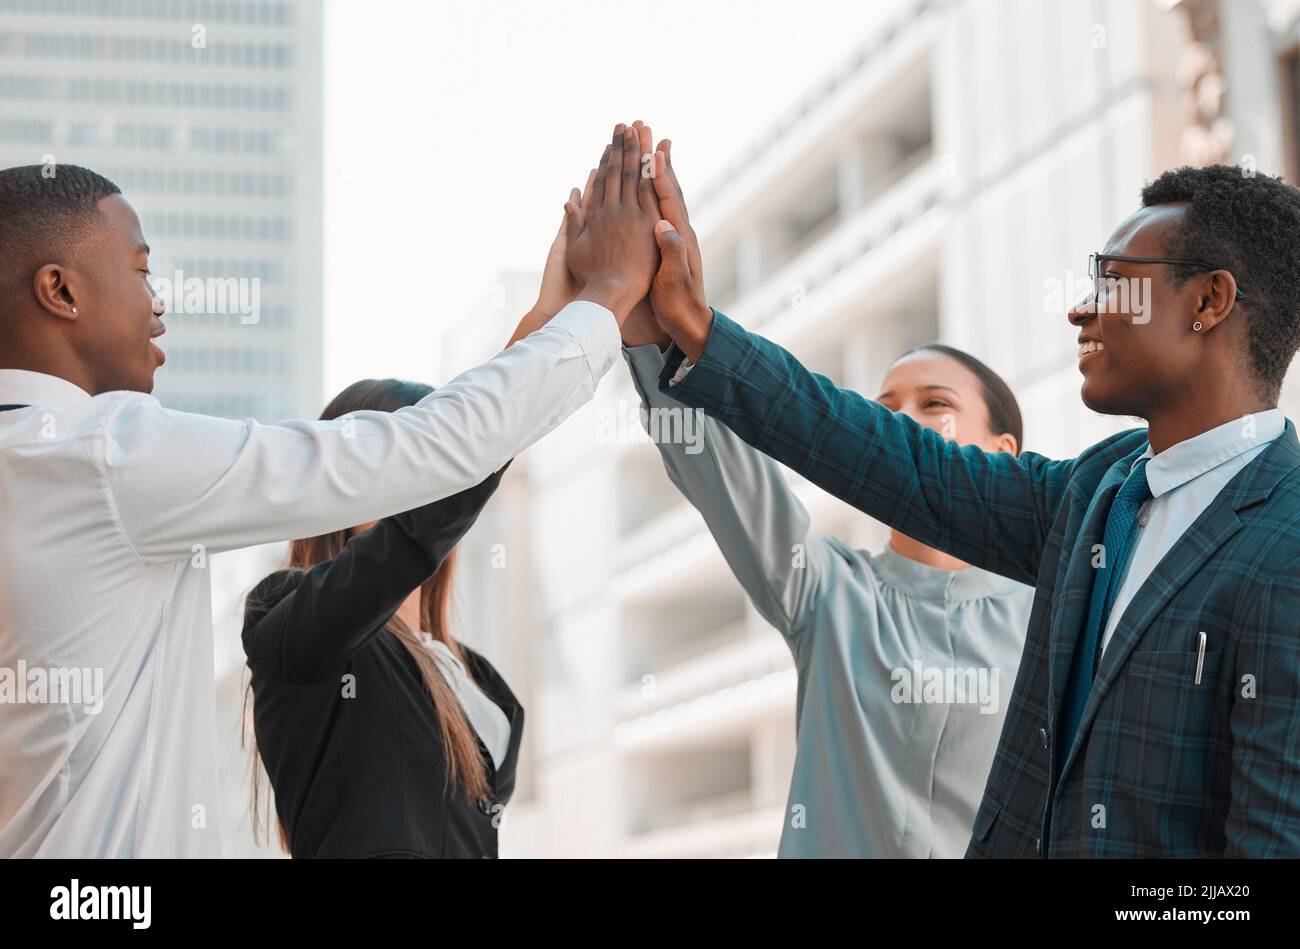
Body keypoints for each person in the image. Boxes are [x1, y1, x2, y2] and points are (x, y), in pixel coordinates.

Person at [0, 122, 660, 857]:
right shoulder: (108, 455)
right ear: (59, 290)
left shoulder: (46, 460)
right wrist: (604, 297)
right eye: (142, 270)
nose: (160, 303)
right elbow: (427, 456)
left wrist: (545, 328)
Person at [640, 145, 1300, 857]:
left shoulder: (1286, 541)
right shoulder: (1095, 494)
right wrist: (696, 329)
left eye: (1114, 284)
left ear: (1208, 301)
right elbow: (884, 456)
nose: (1083, 308)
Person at [623, 317, 1034, 856]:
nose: (903, 422)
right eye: (885, 411)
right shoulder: (826, 590)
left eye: (934, 404)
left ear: (1002, 452)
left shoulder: (1052, 623)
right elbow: (725, 474)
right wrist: (652, 337)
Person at [243, 380, 520, 858]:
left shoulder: (477, 678)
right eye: (407, 465)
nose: (425, 488)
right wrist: (512, 406)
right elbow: (401, 546)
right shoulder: (290, 612)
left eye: (436, 466)